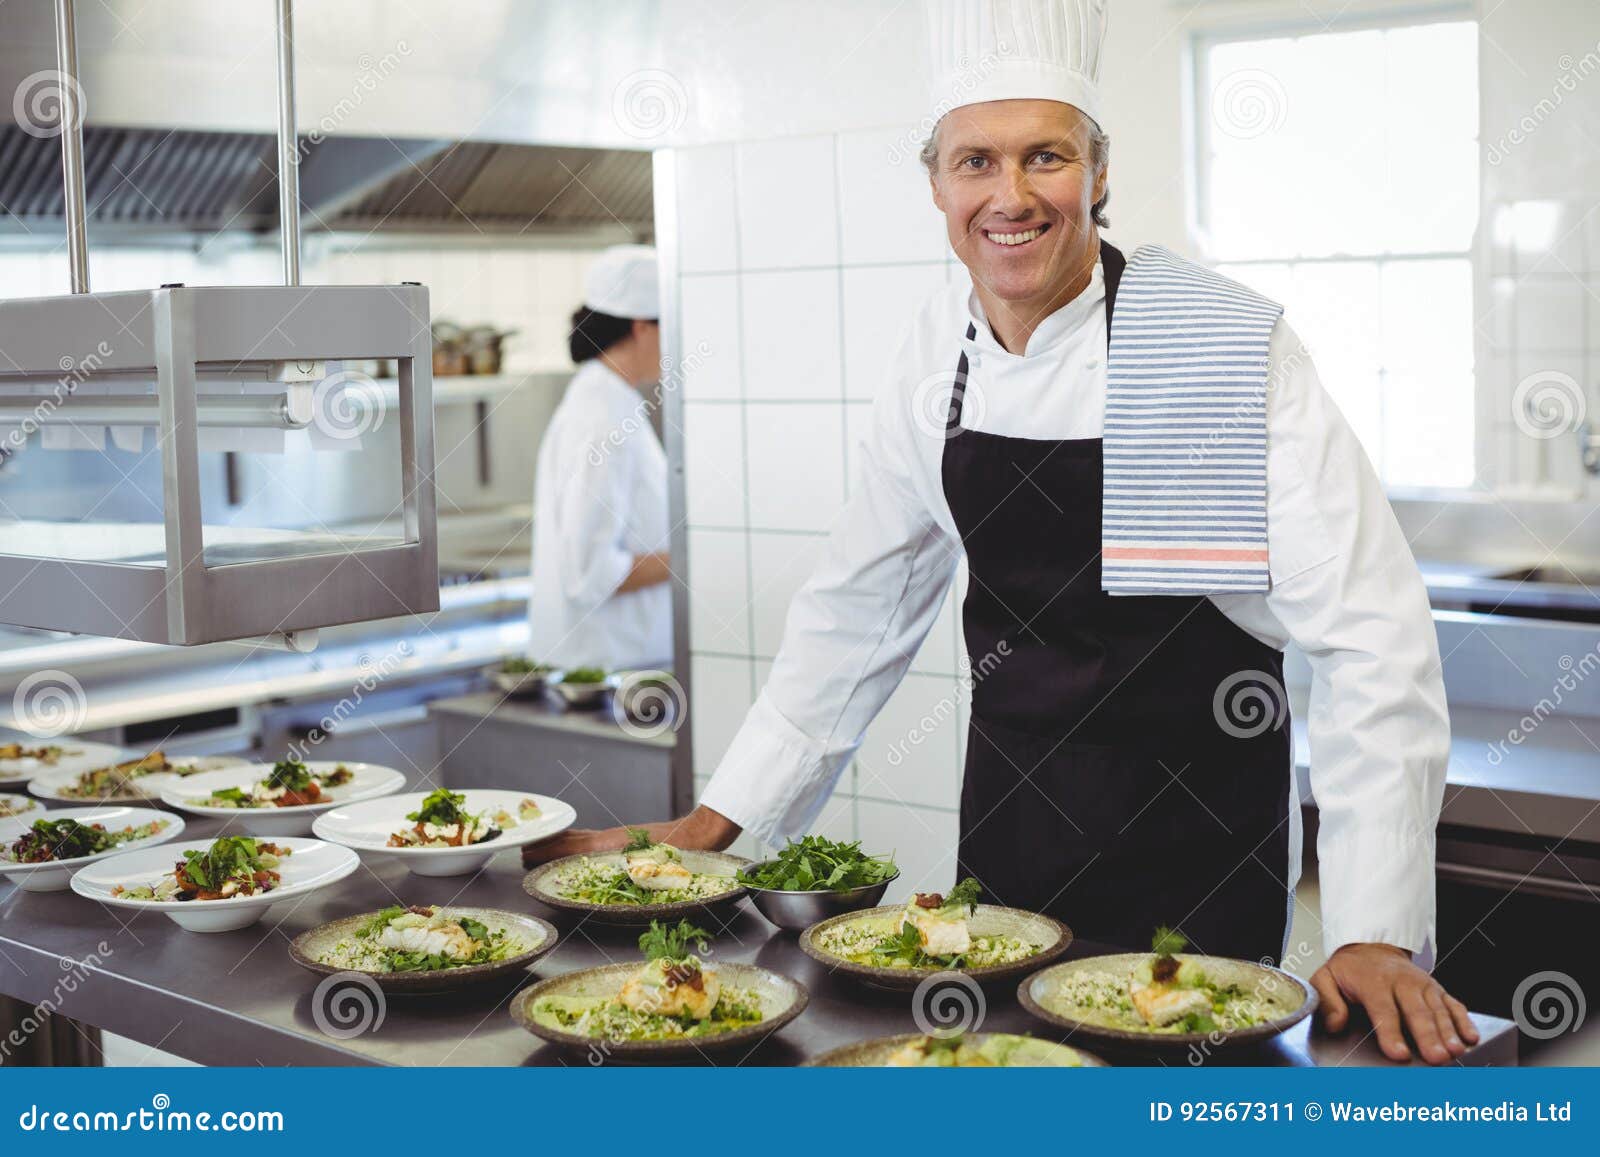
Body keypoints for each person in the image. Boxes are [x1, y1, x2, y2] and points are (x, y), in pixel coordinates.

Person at [527, 2, 1478, 1064]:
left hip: (1194, 853)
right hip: (1009, 854)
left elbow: (1372, 632)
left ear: (1098, 172)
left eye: (1046, 157)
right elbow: (858, 608)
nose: (1010, 195)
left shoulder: (1212, 342)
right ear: (935, 183)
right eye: (975, 161)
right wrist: (722, 821)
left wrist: (1375, 928)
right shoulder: (935, 353)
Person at [527, 244, 671, 671]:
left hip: (623, 662)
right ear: (642, 327)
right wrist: (690, 557)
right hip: (603, 671)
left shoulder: (612, 401)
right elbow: (589, 573)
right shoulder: (601, 419)